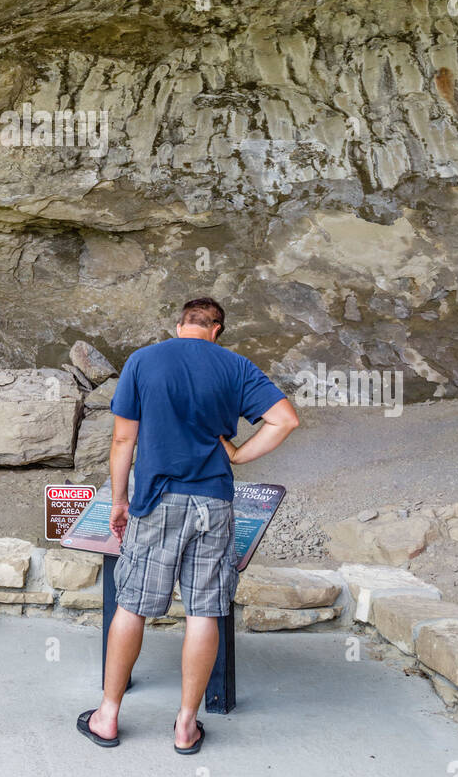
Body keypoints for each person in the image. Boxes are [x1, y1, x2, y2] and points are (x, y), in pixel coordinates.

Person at [76, 296, 299, 753]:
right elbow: (284, 419)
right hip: (213, 502)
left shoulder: (142, 361)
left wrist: (120, 500)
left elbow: (123, 438)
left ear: (179, 325)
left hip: (156, 499)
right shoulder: (235, 366)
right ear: (216, 329)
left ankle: (108, 715)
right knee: (203, 611)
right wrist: (237, 453)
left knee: (132, 605)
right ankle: (185, 724)